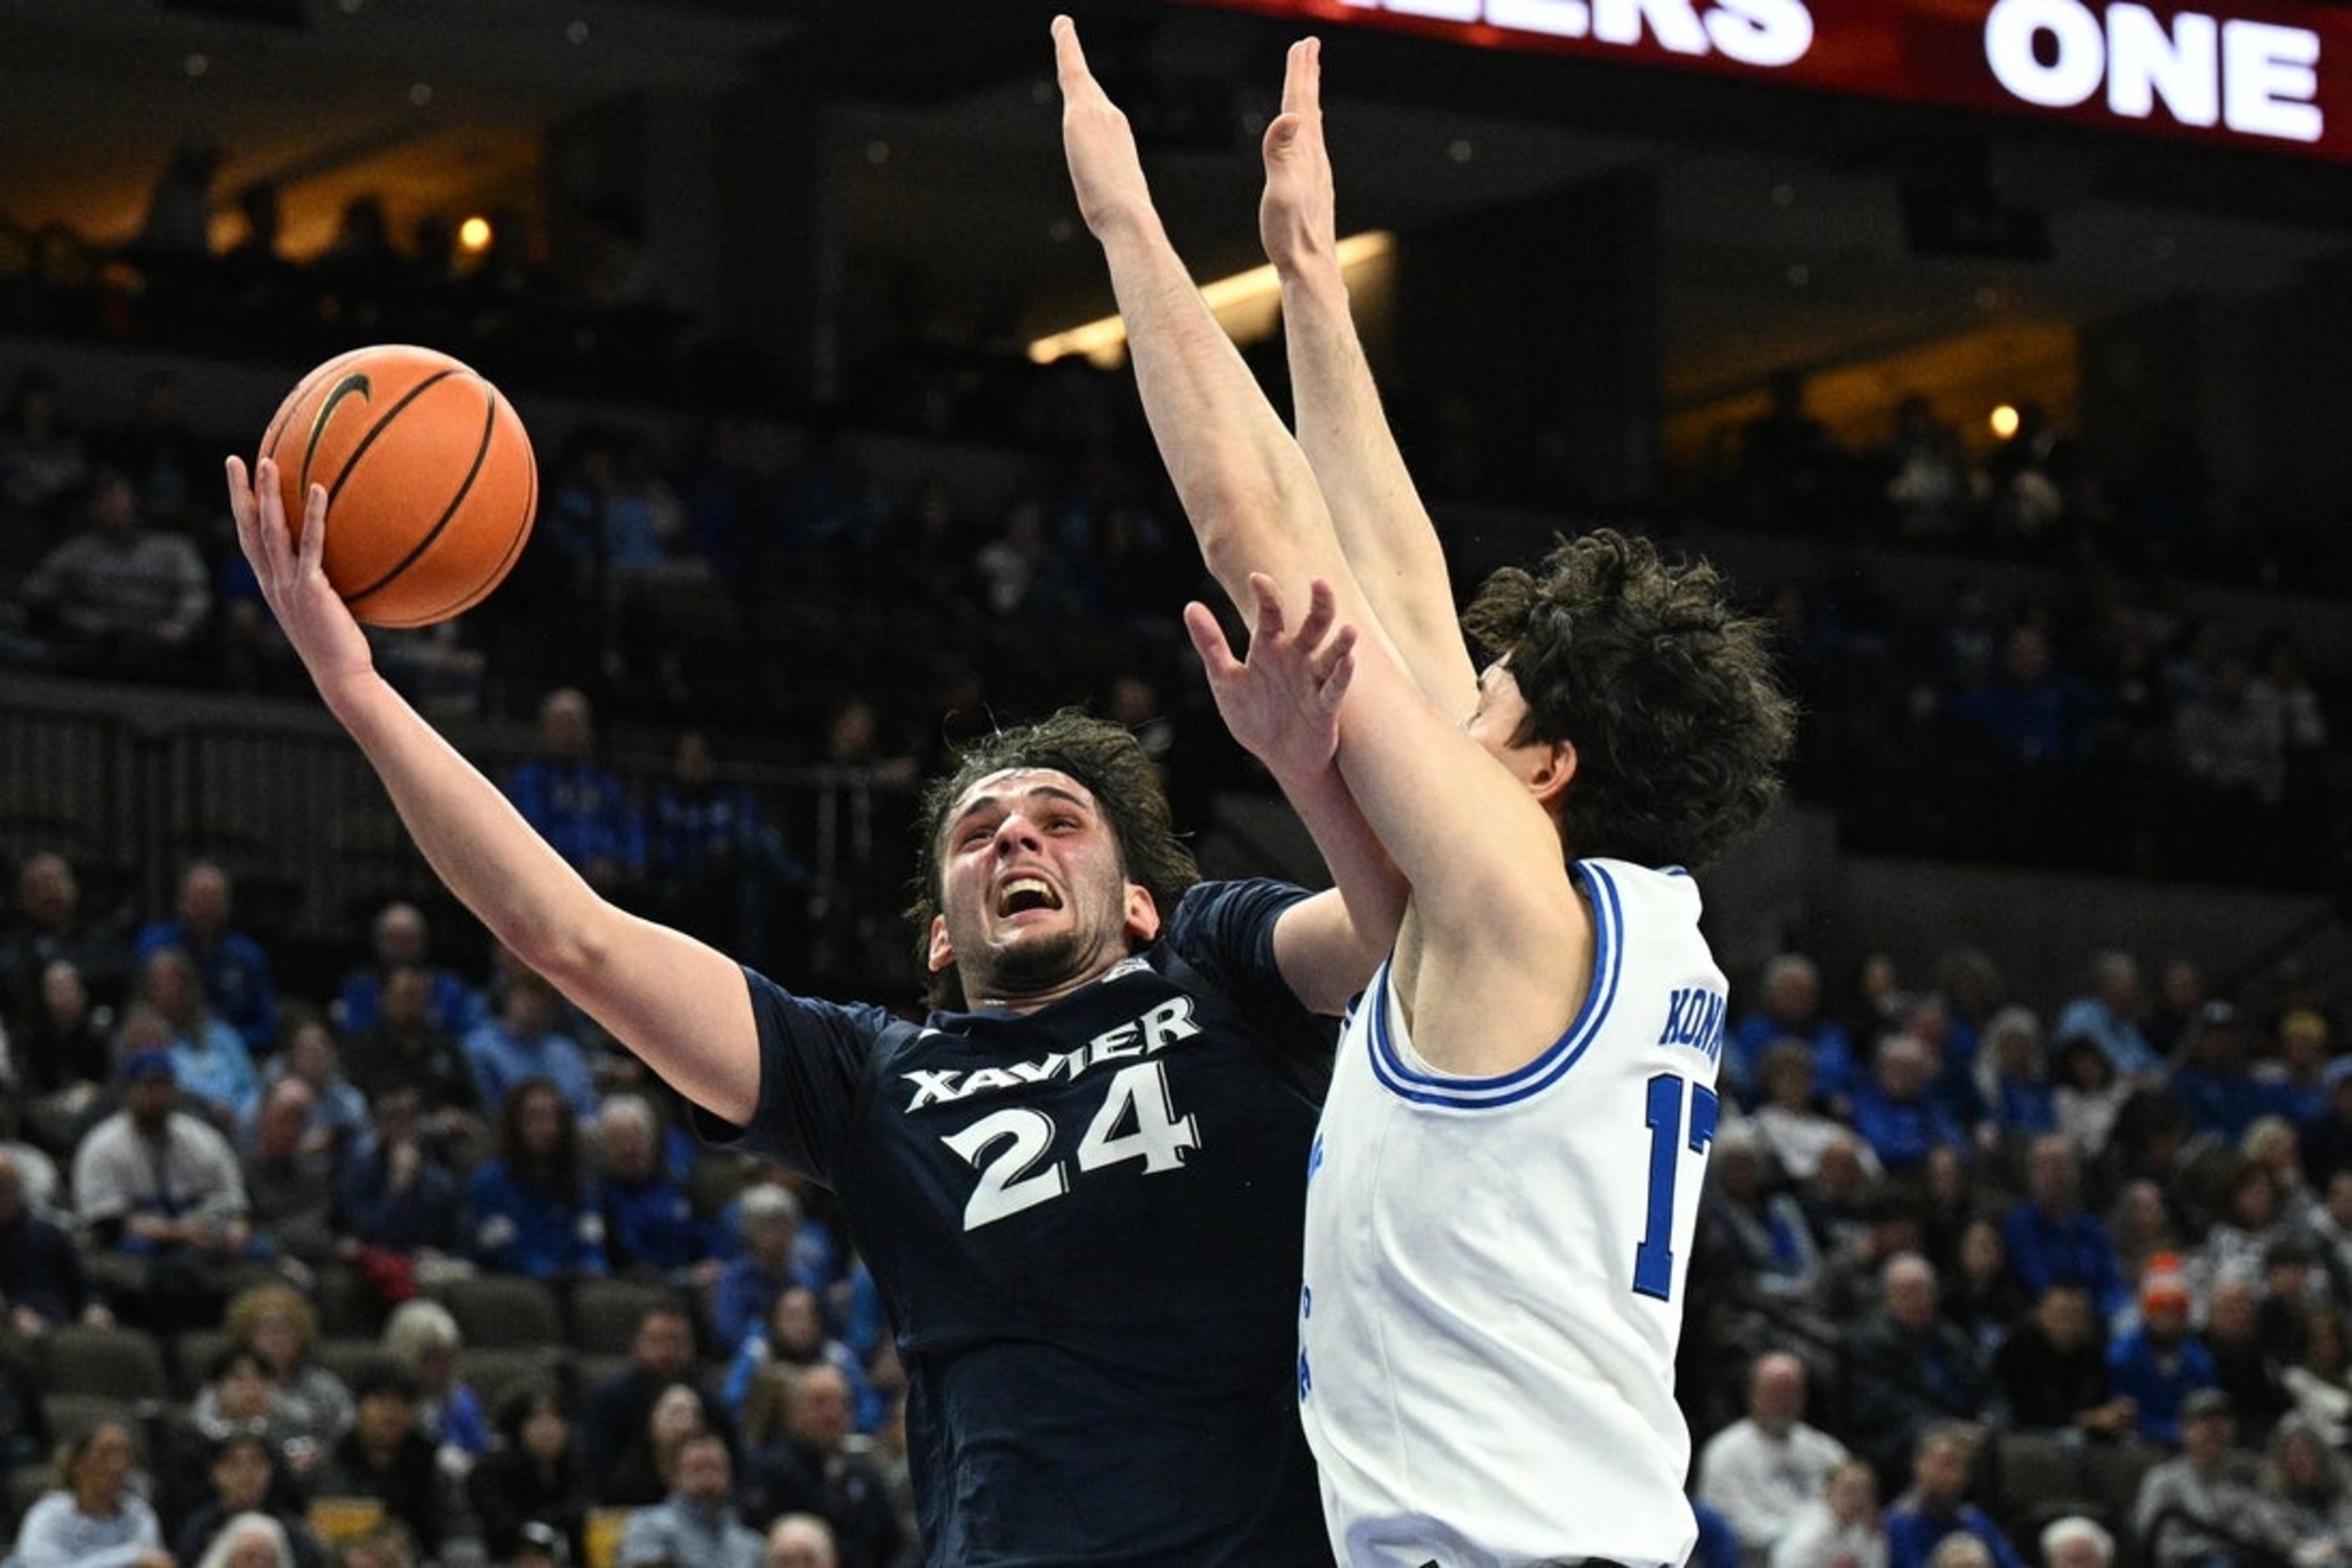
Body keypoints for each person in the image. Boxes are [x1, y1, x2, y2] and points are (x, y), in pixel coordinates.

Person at [230, 381, 1378, 1566]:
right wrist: (358, 691)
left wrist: (1312, 777)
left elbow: (1404, 928)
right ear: (940, 935)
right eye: (978, 832)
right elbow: (568, 933)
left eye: (1058, 820)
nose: (1016, 838)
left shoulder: (1215, 962)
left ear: (1139, 903)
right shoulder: (872, 1075)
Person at [1055, 20, 1793, 1566]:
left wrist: (1126, 224)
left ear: (1548, 763)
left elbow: (1263, 537)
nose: (1456, 688)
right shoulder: (1597, 921)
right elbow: (1389, 578)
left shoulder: (1521, 907)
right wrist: (1309, 278)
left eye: (1492, 690)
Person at [69, 1048, 256, 1327]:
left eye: (164, 1085)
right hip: (136, 1247)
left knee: (262, 1255)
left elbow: (234, 1205)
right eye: (148, 1086)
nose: (157, 1095)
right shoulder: (103, 1145)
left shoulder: (203, 1139)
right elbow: (106, 1225)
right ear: (128, 1092)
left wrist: (237, 1230)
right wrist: (180, 1233)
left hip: (205, 1242)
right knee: (154, 1268)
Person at [1695, 1350, 1852, 1557]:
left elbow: (1853, 1505)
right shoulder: (1724, 1452)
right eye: (1774, 1392)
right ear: (1753, 1394)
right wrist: (1795, 1538)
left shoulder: (1826, 1450)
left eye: (1790, 1393)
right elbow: (1723, 1522)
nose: (1782, 1403)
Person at [132, 862, 278, 1058]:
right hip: (166, 1049)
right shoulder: (156, 944)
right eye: (199, 899)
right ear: (182, 902)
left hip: (236, 1053)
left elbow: (266, 1025)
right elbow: (140, 1008)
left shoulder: (248, 956)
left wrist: (226, 1042)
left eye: (213, 899)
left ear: (228, 904)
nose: (206, 909)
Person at [10, 1421, 175, 1568]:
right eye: (105, 1455)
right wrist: (131, 1555)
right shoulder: (48, 1514)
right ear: (77, 1465)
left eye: (125, 1455)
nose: (118, 1466)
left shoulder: (138, 1514)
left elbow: (154, 1562)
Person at [462, 1384, 586, 1566]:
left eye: (554, 1419)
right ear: (517, 1426)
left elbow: (581, 1511)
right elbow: (500, 1525)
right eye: (536, 1420)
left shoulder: (576, 1468)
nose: (547, 1429)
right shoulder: (491, 1471)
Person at [612, 1432, 761, 1568]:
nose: (709, 1477)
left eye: (716, 1467)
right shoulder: (649, 1526)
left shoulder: (751, 1544)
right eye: (699, 1468)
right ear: (674, 1476)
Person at [1770, 1457, 1887, 1568]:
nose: (1859, 1499)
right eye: (1850, 1490)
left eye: (1867, 1492)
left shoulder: (1866, 1526)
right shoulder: (1808, 1531)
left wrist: (1871, 1537)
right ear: (1828, 1490)